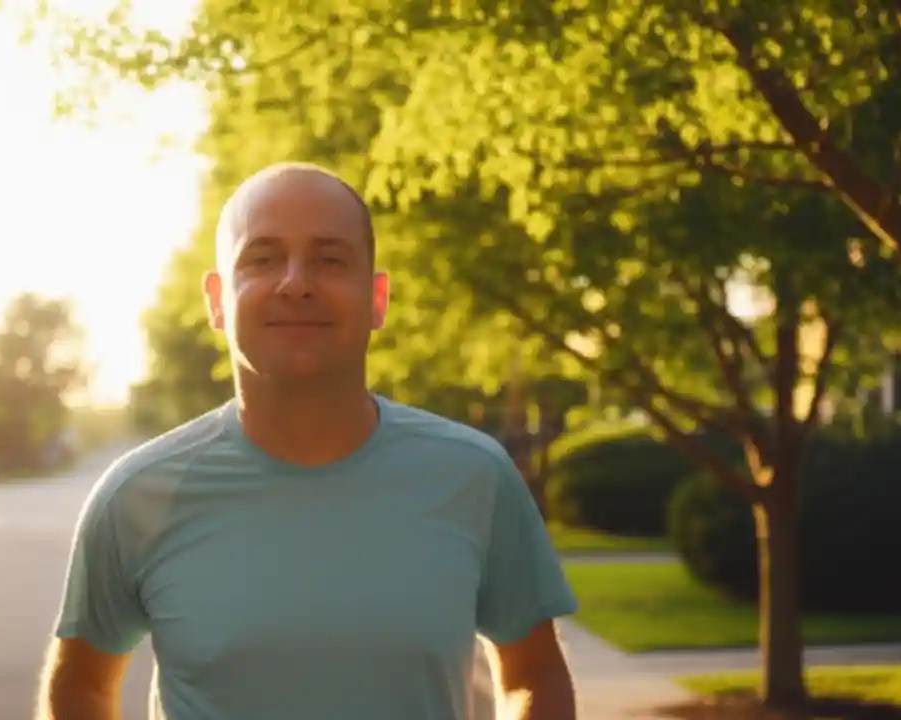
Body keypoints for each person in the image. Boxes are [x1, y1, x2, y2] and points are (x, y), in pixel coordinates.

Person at [35, 162, 579, 720]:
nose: (296, 283)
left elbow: (533, 674)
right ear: (217, 300)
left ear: (377, 298)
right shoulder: (137, 496)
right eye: (262, 259)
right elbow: (80, 688)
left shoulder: (473, 477)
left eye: (330, 259)